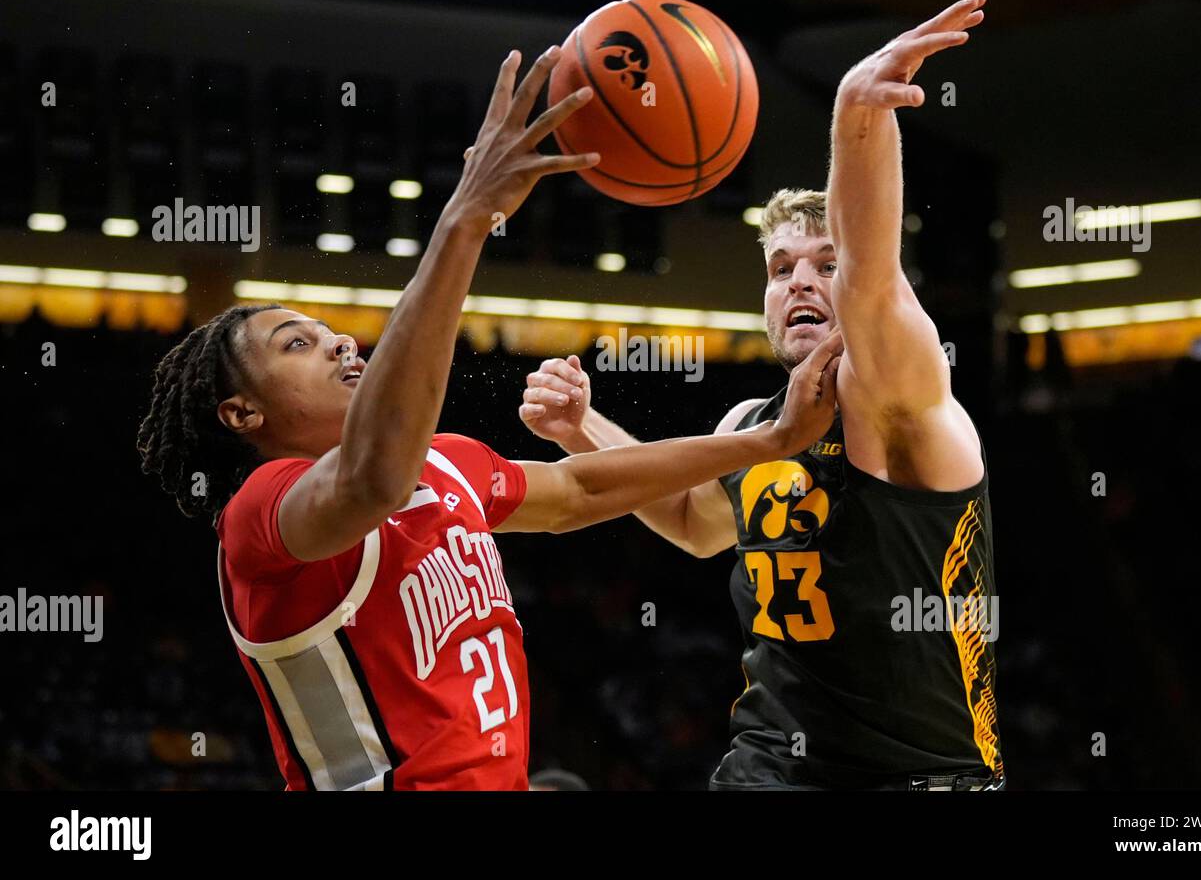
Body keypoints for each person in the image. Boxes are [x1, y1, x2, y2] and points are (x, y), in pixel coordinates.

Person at [135, 47, 843, 791]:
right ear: (242, 411)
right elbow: (374, 476)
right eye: (297, 344)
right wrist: (466, 220)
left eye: (327, 329)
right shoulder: (260, 518)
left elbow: (580, 493)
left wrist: (768, 440)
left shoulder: (446, 463)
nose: (340, 340)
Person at [518, 0, 1004, 790]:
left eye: (824, 263)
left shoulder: (903, 399)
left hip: (916, 777)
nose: (801, 282)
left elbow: (875, 281)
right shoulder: (749, 425)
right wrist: (583, 427)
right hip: (768, 770)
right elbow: (692, 523)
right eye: (782, 269)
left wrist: (858, 115)